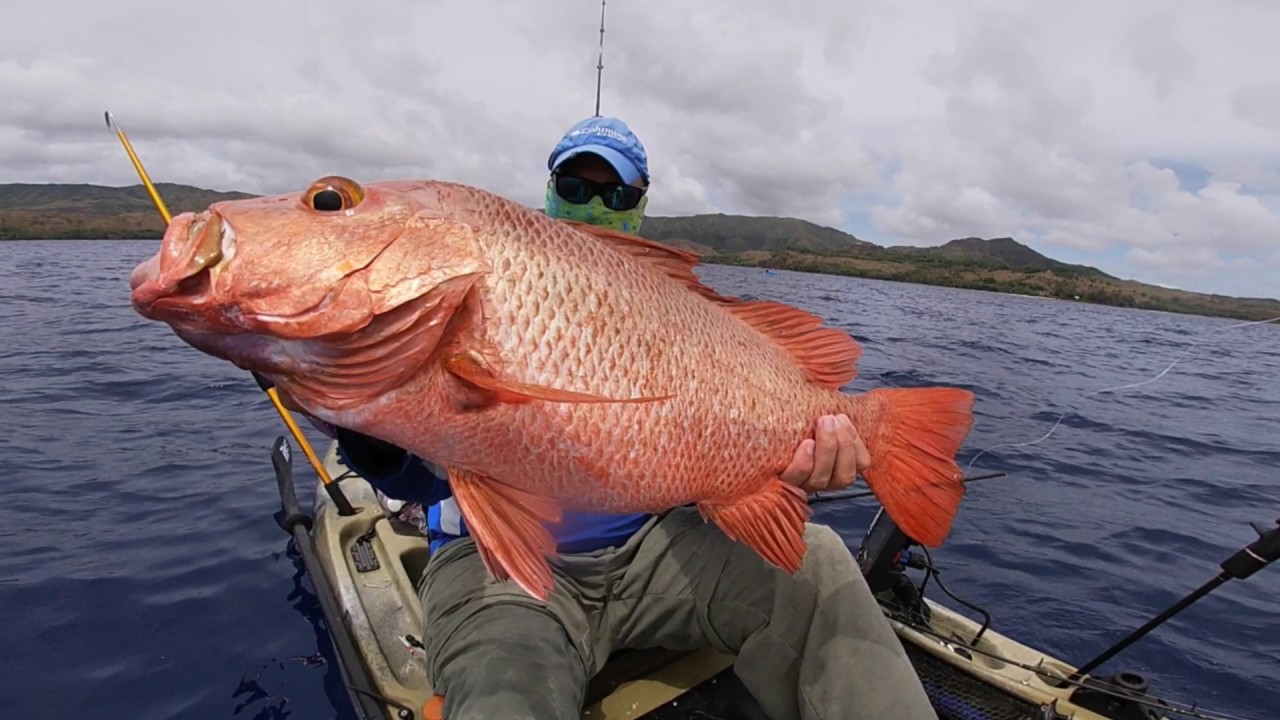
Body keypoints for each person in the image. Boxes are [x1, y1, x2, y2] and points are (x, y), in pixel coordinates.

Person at [322, 116, 939, 719]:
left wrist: (784, 469)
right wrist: (363, 426)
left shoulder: (666, 300)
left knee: (821, 564)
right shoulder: (496, 283)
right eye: (574, 187)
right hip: (498, 568)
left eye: (616, 194)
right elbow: (422, 480)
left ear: (640, 206)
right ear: (547, 193)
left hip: (656, 550)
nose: (593, 205)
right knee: (503, 696)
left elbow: (708, 447)